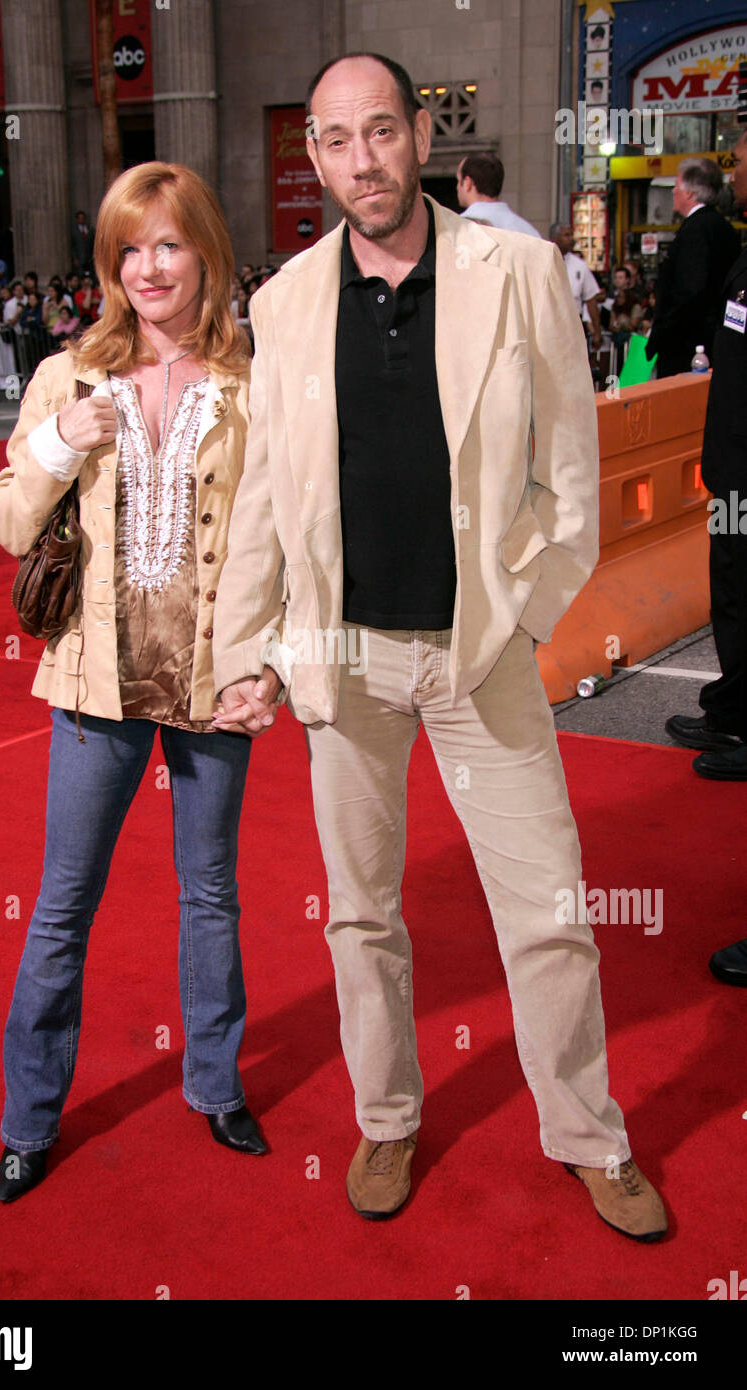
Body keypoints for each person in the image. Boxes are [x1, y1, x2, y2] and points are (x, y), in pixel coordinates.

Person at [212, 51, 666, 1241]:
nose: (361, 160)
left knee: (549, 910)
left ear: (420, 134)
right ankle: (385, 1114)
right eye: (334, 140)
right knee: (359, 916)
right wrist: (246, 650)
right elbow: (264, 495)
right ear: (312, 155)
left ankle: (586, 1132)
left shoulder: (518, 271)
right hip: (345, 660)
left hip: (480, 657)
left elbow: (568, 478)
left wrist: (518, 619)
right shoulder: (284, 301)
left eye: (380, 132)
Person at [0, 161, 265, 1204]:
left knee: (210, 896)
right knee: (62, 902)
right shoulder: (69, 377)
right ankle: (28, 1117)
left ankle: (214, 1082)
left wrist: (268, 664)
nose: (149, 267)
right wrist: (60, 444)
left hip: (212, 683)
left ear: (205, 252)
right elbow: (11, 524)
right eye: (128, 248)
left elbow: (279, 542)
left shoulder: (251, 383)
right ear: (110, 265)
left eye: (169, 244)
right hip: (93, 687)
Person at [666, 132, 747, 785]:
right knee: (732, 586)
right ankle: (731, 704)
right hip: (731, 461)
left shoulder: (713, 237)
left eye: (740, 161)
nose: (734, 172)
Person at [645, 157, 740, 377]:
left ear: (690, 192)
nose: (672, 192)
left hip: (686, 347)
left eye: (676, 186)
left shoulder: (695, 231)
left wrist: (663, 330)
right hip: (717, 340)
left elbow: (690, 289)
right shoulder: (725, 229)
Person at [456, 153, 541, 237]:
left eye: (458, 180)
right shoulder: (528, 231)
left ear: (467, 183)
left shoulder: (457, 228)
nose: (457, 187)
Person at [550, 224, 602, 349]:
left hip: (574, 324)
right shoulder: (541, 261)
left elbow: (591, 299)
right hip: (550, 322)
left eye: (571, 235)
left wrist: (597, 332)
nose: (571, 239)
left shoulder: (580, 266)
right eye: (566, 235)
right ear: (555, 238)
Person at [71, 209, 96, 276]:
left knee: (90, 274)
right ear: (77, 219)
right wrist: (75, 258)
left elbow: (93, 243)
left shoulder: (90, 229)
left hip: (89, 258)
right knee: (80, 274)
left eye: (83, 218)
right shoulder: (74, 231)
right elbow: (72, 246)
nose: (82, 220)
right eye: (80, 218)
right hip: (80, 258)